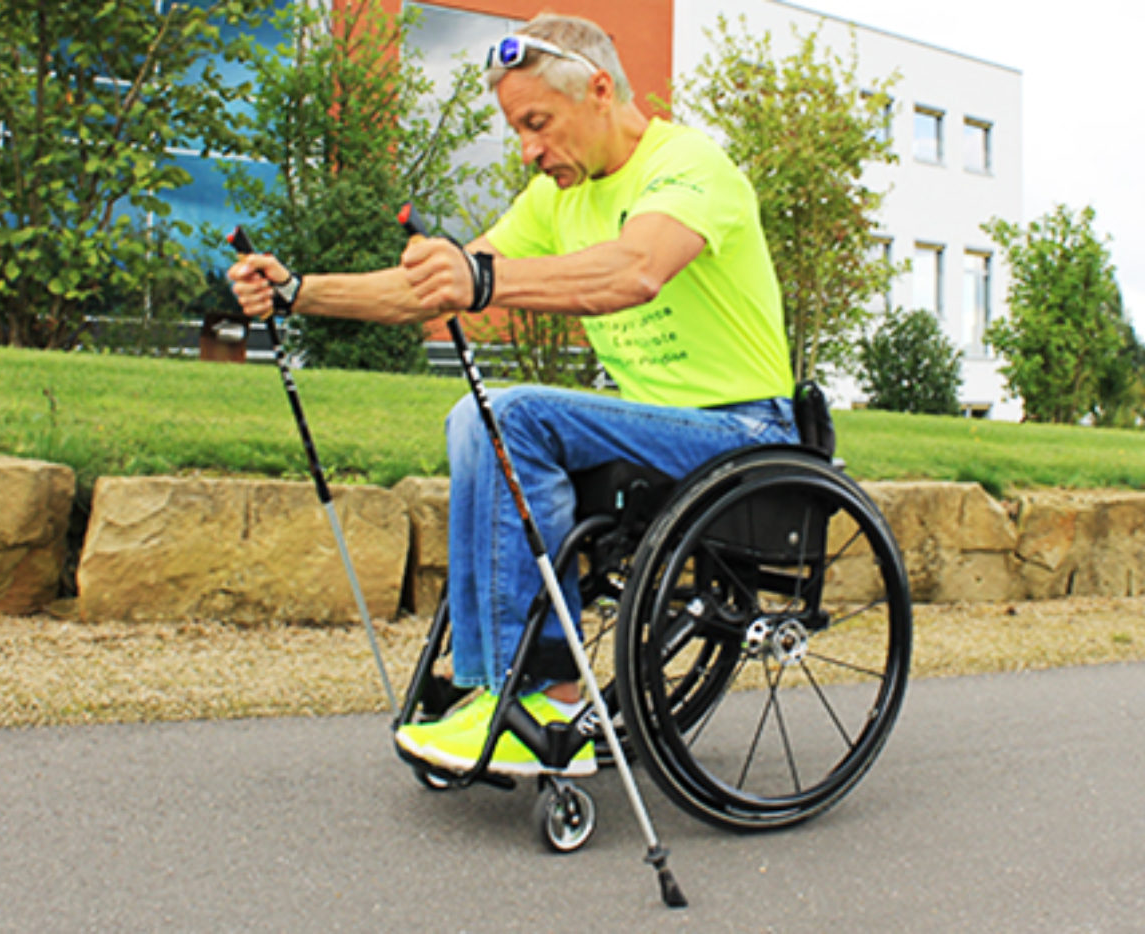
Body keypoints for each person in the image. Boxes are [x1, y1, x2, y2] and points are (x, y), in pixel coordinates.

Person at [227, 13, 796, 778]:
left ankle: (545, 693)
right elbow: (427, 288)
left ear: (600, 90)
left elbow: (635, 269)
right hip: (658, 431)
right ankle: (490, 686)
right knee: (482, 415)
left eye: (538, 123)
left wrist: (483, 280)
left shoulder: (688, 164)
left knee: (511, 412)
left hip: (744, 435)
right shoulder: (553, 199)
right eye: (516, 130)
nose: (529, 149)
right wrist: (298, 292)